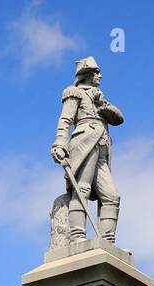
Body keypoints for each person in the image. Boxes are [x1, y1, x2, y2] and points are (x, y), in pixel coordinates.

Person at [51, 56, 123, 243]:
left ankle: (107, 242)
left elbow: (118, 119)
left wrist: (102, 105)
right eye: (96, 71)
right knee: (82, 188)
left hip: (102, 145)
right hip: (84, 141)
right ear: (87, 74)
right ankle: (77, 237)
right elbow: (65, 120)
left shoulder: (101, 98)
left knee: (112, 196)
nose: (100, 75)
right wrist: (59, 143)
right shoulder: (74, 92)